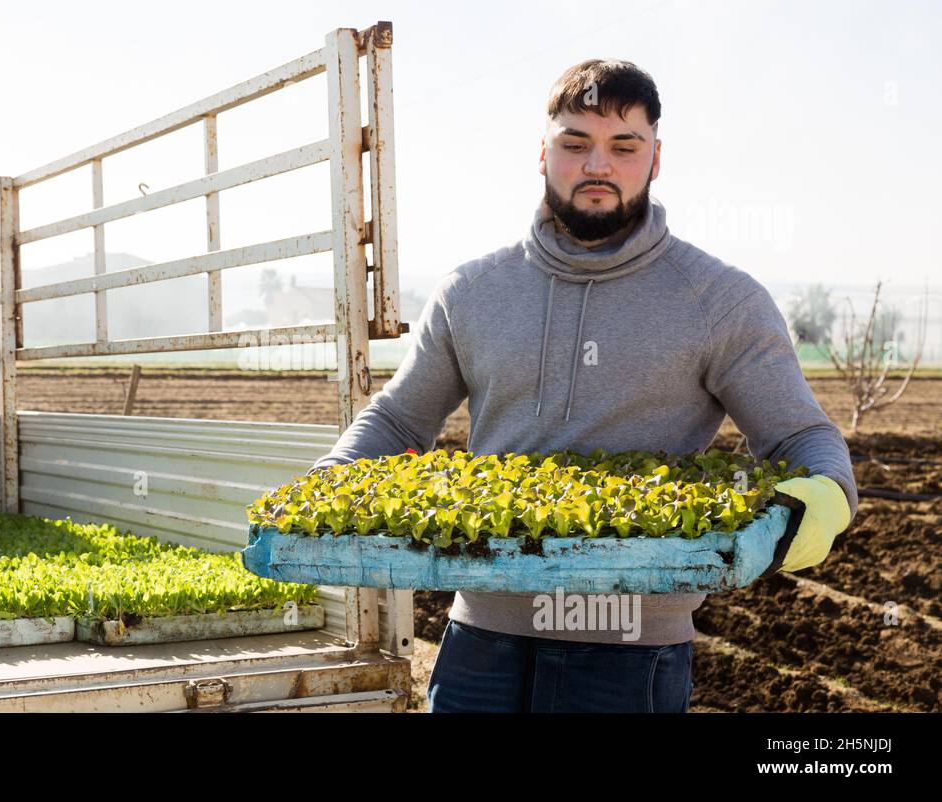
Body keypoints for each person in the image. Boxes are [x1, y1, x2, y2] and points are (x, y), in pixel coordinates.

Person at [308, 59, 857, 713]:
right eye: (575, 144)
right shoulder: (473, 293)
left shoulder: (720, 301)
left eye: (624, 147)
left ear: (655, 160)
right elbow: (399, 420)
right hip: (480, 642)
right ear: (544, 153)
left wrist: (813, 506)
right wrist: (326, 486)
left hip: (630, 654)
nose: (598, 166)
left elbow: (802, 438)